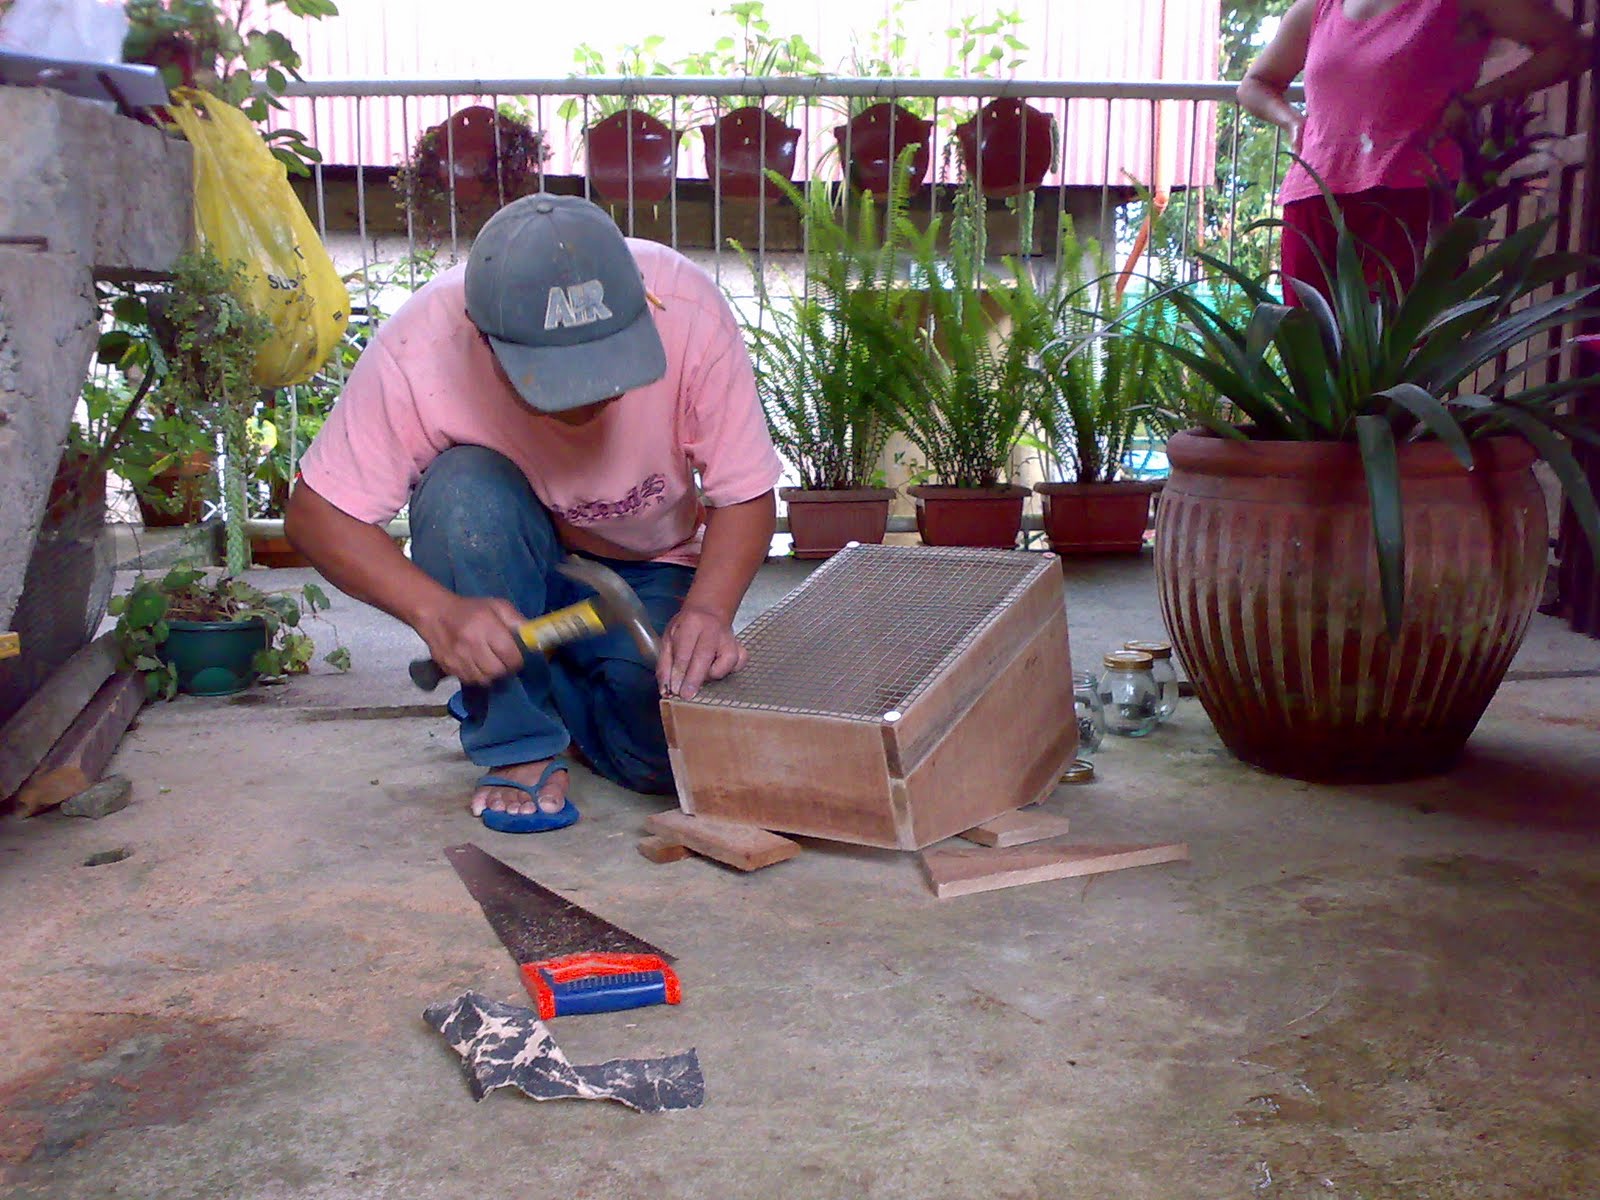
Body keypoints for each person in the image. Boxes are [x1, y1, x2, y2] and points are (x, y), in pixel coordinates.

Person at [284, 193, 780, 832]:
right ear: (483, 339)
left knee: (664, 759)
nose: (589, 397)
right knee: (465, 492)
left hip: (648, 566)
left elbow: (744, 489)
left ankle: (556, 687)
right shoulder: (424, 341)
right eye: (556, 377)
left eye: (605, 364)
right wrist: (438, 613)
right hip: (508, 550)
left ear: (643, 308)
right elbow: (316, 513)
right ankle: (518, 742)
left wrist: (710, 611)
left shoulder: (687, 308)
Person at [1238, 0, 1590, 302]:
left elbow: (1569, 48)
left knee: (1398, 359)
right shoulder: (1320, 7)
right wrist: (1291, 121)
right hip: (1313, 199)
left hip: (1409, 197)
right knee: (1310, 359)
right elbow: (1255, 83)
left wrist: (1475, 99)